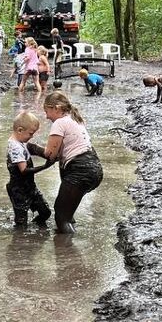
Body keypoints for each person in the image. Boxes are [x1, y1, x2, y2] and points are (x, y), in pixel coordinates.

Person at [43, 91, 103, 234]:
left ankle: (68, 253)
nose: (46, 116)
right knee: (67, 212)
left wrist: (31, 148)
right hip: (95, 169)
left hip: (80, 171)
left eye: (47, 111)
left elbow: (51, 155)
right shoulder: (75, 119)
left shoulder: (59, 122)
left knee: (61, 216)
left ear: (56, 108)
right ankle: (68, 245)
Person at [6, 111, 55, 227]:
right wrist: (44, 166)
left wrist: (49, 154)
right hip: (18, 190)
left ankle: (36, 231)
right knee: (21, 221)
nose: (32, 136)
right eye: (31, 133)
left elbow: (32, 148)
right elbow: (24, 170)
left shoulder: (21, 142)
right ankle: (20, 241)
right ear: (20, 130)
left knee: (46, 212)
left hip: (30, 187)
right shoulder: (14, 147)